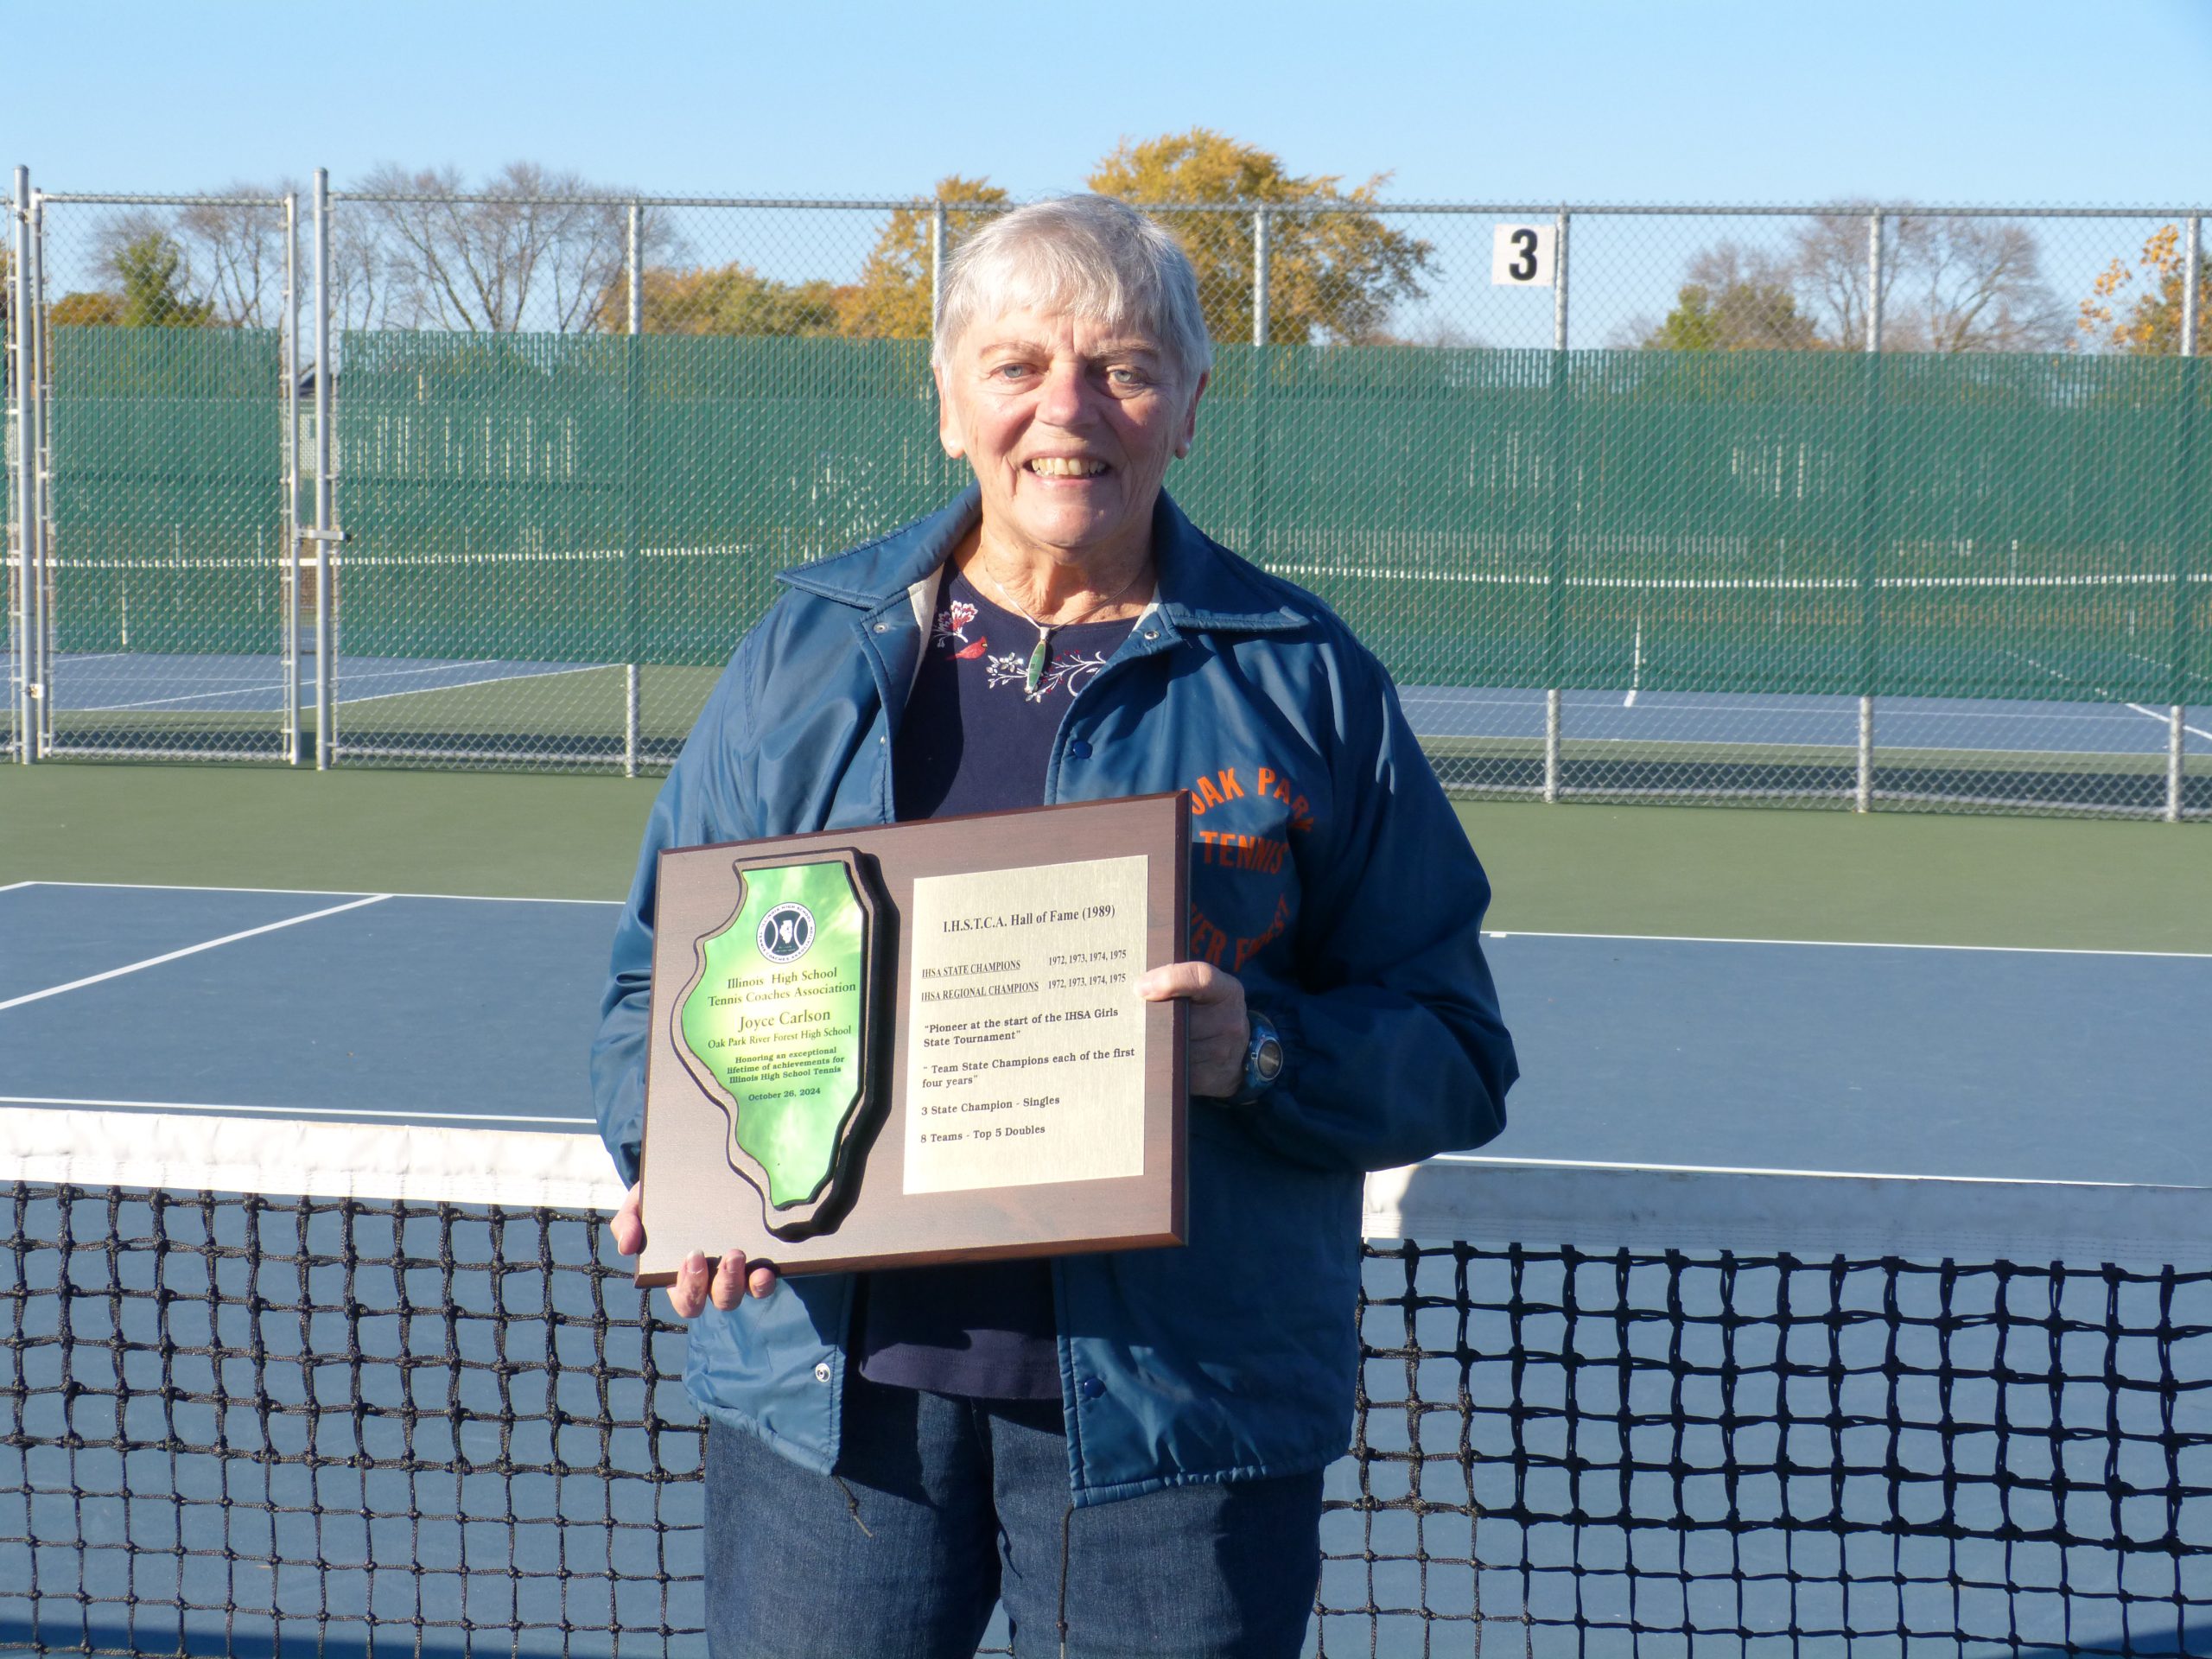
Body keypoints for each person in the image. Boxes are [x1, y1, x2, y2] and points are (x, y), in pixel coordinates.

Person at [592, 194, 1517, 1659]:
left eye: (1125, 369)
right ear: (950, 400)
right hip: (833, 1410)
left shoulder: (1309, 681)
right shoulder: (806, 654)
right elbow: (660, 981)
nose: (1067, 410)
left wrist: (1260, 1052)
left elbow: (1458, 1049)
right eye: (1018, 366)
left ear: (1190, 409)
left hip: (1177, 1428)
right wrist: (683, 1169)